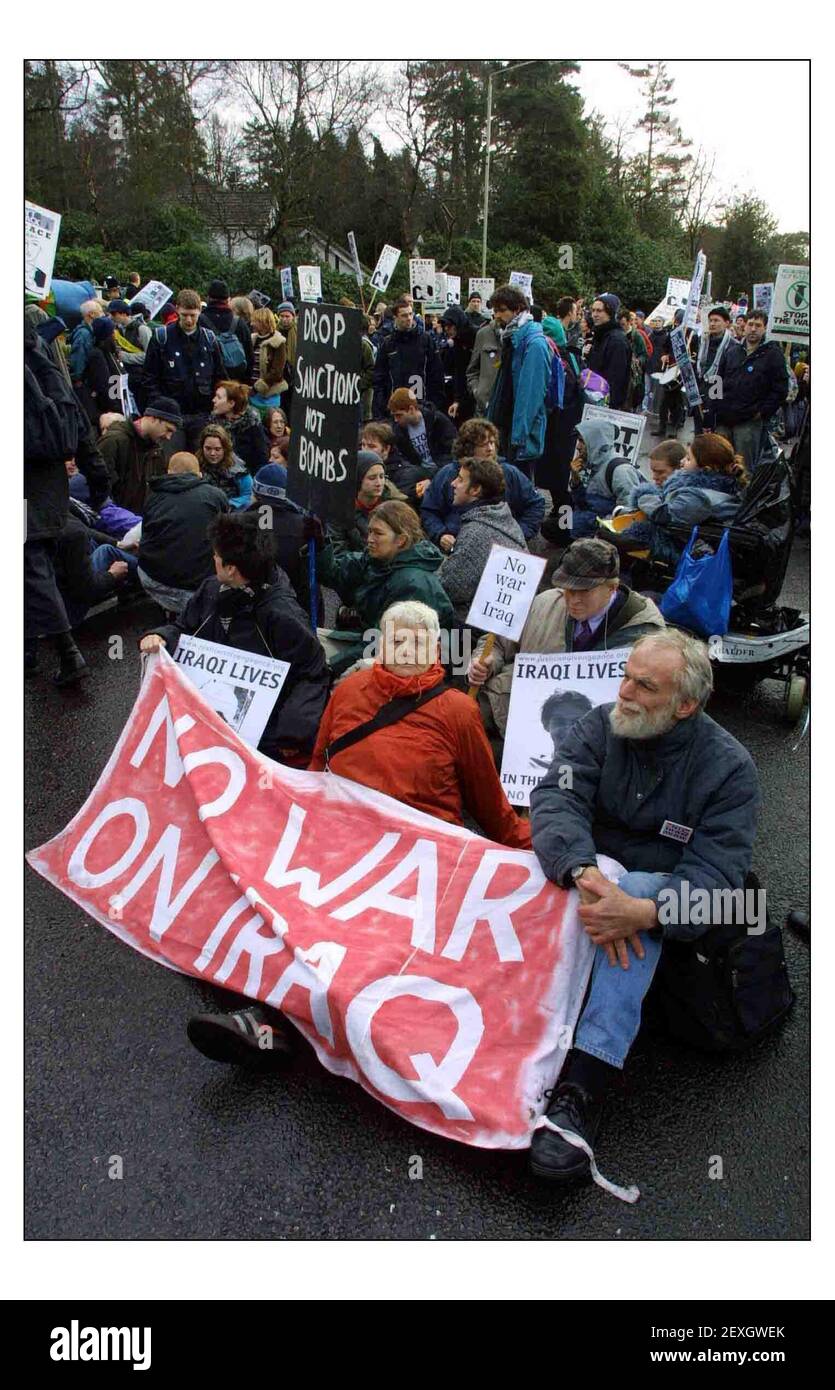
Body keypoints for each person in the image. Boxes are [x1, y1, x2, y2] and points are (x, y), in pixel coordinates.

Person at [185, 599, 530, 1067]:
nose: (406, 649)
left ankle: (271, 1023)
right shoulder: (348, 693)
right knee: (289, 909)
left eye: (418, 640)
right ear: (381, 644)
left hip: (417, 860)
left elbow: (494, 813)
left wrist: (559, 854)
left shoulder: (456, 714)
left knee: (353, 937)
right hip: (345, 843)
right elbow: (316, 772)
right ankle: (272, 1014)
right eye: (397, 639)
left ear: (435, 650)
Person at [528, 630, 760, 1184]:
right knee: (531, 869)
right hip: (595, 876)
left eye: (644, 685)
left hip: (658, 899)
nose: (624, 691)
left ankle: (584, 1084)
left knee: (639, 887)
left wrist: (647, 913)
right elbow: (556, 798)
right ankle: (508, 1025)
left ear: (685, 705)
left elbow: (719, 877)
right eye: (627, 675)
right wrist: (582, 871)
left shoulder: (730, 769)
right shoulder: (597, 725)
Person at [139, 512, 330, 767]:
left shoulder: (283, 615)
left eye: (216, 556)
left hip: (263, 736)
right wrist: (161, 636)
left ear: (231, 569)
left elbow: (313, 673)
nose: (213, 559)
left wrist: (292, 733)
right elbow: (184, 627)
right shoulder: (210, 589)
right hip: (210, 720)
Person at [468, 538, 664, 736]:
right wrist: (484, 662)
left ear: (612, 588)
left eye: (584, 591)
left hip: (598, 738)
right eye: (568, 589)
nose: (573, 600)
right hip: (511, 716)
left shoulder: (646, 634)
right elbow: (497, 644)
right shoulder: (545, 602)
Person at [24, 318, 111, 684]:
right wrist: (98, 478)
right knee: (33, 567)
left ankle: (67, 653)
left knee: (32, 570)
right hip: (51, 488)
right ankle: (29, 650)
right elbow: (79, 428)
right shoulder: (49, 368)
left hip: (26, 484)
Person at [315, 499, 455, 676]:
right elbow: (335, 574)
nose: (369, 539)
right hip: (370, 641)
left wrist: (329, 667)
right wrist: (321, 545)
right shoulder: (378, 559)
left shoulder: (413, 584)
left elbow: (382, 645)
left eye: (378, 534)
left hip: (405, 664)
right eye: (370, 531)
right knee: (304, 643)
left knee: (316, 667)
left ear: (401, 540)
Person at [613, 434, 748, 566]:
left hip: (680, 546)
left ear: (706, 469)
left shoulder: (699, 498)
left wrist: (643, 494)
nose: (683, 461)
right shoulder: (709, 489)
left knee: (615, 539)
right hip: (688, 538)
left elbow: (663, 514)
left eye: (689, 459)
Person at [421, 417, 545, 552]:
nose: (490, 449)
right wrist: (441, 534)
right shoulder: (447, 474)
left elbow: (535, 505)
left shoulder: (509, 473)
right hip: (456, 547)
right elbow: (429, 510)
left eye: (492, 443)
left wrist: (518, 533)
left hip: (500, 548)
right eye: (483, 444)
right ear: (468, 447)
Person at [438, 456, 528, 627]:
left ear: (476, 490)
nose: (453, 484)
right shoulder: (502, 516)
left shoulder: (477, 532)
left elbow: (450, 587)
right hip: (506, 624)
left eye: (460, 480)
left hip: (482, 632)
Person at [136, 452, 229, 617]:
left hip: (154, 581)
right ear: (199, 474)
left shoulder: (153, 496)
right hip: (198, 588)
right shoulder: (216, 496)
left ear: (169, 473)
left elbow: (146, 535)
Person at [140, 288, 225, 450]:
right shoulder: (161, 338)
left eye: (193, 315)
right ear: (177, 309)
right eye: (184, 315)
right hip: (170, 417)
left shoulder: (209, 340)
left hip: (202, 415)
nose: (188, 320)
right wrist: (159, 407)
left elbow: (219, 377)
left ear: (200, 311)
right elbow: (149, 378)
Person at [486, 283, 552, 479]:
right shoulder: (512, 338)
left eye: (502, 310)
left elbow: (530, 396)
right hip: (505, 430)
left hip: (517, 438)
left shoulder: (534, 343)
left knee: (518, 488)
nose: (497, 316)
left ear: (518, 310)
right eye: (495, 310)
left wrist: (518, 439)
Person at [715, 309, 789, 473]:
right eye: (750, 324)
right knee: (719, 465)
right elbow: (717, 380)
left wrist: (762, 412)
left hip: (748, 423)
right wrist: (714, 408)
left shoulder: (773, 355)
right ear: (744, 326)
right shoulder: (731, 351)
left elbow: (781, 389)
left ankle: (743, 498)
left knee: (744, 469)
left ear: (764, 328)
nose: (753, 329)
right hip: (724, 420)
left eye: (758, 325)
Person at [98, 397, 181, 513]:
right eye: (168, 430)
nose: (168, 437)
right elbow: (99, 485)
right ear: (154, 419)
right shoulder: (113, 441)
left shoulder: (157, 450)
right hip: (113, 521)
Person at [248, 463, 312, 609]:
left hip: (251, 609)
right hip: (297, 609)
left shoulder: (239, 523)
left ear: (256, 494)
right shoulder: (307, 526)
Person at [568, 418, 642, 539]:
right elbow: (582, 504)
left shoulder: (620, 470)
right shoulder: (592, 464)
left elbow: (629, 515)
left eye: (582, 441)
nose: (578, 447)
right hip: (587, 522)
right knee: (551, 526)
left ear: (596, 442)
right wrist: (575, 480)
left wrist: (598, 530)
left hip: (604, 532)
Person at [372, 297, 445, 416]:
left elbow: (436, 374)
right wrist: (382, 406)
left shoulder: (425, 340)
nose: (409, 318)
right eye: (404, 315)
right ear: (395, 318)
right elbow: (379, 377)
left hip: (422, 406)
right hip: (396, 408)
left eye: (411, 314)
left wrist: (434, 405)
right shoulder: (388, 344)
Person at [329, 451, 406, 554]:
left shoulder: (396, 504)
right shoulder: (339, 510)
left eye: (382, 476)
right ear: (358, 479)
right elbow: (338, 551)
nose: (379, 483)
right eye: (372, 478)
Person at [695, 305, 744, 431]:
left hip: (719, 395)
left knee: (713, 437)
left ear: (727, 323)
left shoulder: (734, 347)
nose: (712, 324)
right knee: (699, 434)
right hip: (701, 391)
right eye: (710, 320)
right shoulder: (702, 341)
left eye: (716, 320)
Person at [360, 420, 432, 507]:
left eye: (372, 446)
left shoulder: (407, 475)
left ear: (386, 449)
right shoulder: (359, 467)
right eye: (363, 445)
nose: (365, 450)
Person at [387, 387, 456, 476]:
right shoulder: (399, 430)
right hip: (418, 473)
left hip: (442, 470)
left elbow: (452, 451)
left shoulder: (437, 420)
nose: (396, 420)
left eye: (399, 415)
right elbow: (402, 459)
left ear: (411, 409)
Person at [199, 278, 253, 384]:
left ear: (208, 298)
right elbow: (249, 356)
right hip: (235, 383)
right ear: (228, 299)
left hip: (207, 382)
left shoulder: (200, 321)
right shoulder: (239, 323)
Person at [209, 380, 269, 475]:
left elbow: (262, 460)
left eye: (219, 397)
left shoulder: (253, 426)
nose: (214, 400)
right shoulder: (212, 424)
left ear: (231, 403)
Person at [584, 294, 631, 410]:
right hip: (594, 400)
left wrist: (608, 407)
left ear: (610, 313)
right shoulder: (600, 336)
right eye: (593, 310)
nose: (595, 314)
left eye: (599, 311)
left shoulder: (617, 341)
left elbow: (616, 380)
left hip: (605, 405)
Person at [79, 316, 124, 430]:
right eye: (112, 331)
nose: (114, 335)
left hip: (116, 403)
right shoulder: (97, 355)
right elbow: (103, 384)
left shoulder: (108, 351)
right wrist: (116, 407)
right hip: (108, 410)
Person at [195, 424, 253, 510]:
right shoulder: (195, 464)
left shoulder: (238, 470)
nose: (212, 453)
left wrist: (230, 504)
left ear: (225, 449)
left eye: (217, 449)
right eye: (208, 448)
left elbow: (249, 495)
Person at [438, 305, 476, 422]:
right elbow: (458, 371)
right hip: (468, 390)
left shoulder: (476, 336)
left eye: (449, 326)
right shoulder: (456, 342)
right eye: (445, 326)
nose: (446, 329)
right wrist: (457, 400)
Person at [466, 309, 503, 416]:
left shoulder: (518, 336)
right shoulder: (483, 334)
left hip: (507, 411)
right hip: (484, 409)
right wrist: (477, 392)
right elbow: (472, 370)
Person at [250, 307, 288, 404]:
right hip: (251, 391)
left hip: (270, 393)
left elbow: (276, 371)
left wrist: (258, 387)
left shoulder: (279, 342)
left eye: (255, 321)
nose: (251, 324)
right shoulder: (253, 339)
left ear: (264, 322)